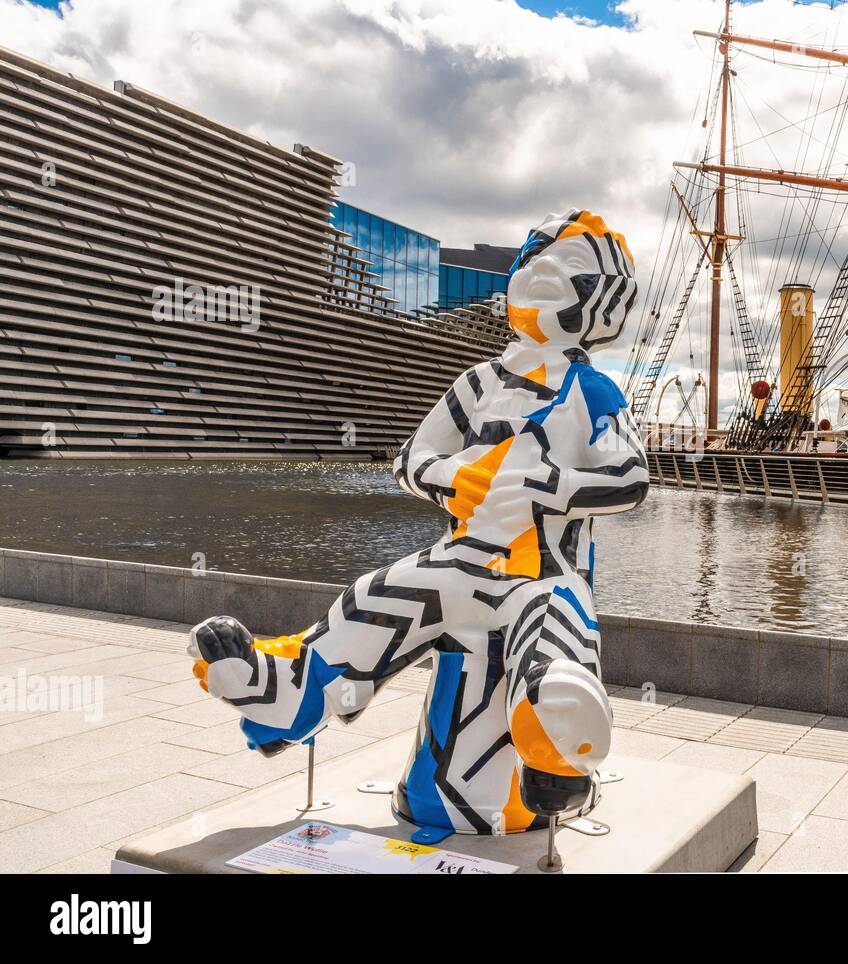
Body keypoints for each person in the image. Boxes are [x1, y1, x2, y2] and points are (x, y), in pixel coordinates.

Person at [188, 210, 648, 837]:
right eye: (536, 260)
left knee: (558, 629)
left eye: (569, 269)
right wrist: (453, 477)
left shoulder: (593, 391)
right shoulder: (477, 385)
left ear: (603, 300)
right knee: (374, 597)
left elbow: (630, 477)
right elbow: (412, 458)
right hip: (459, 558)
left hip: (546, 572)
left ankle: (555, 740)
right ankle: (287, 689)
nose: (544, 274)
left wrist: (554, 485)